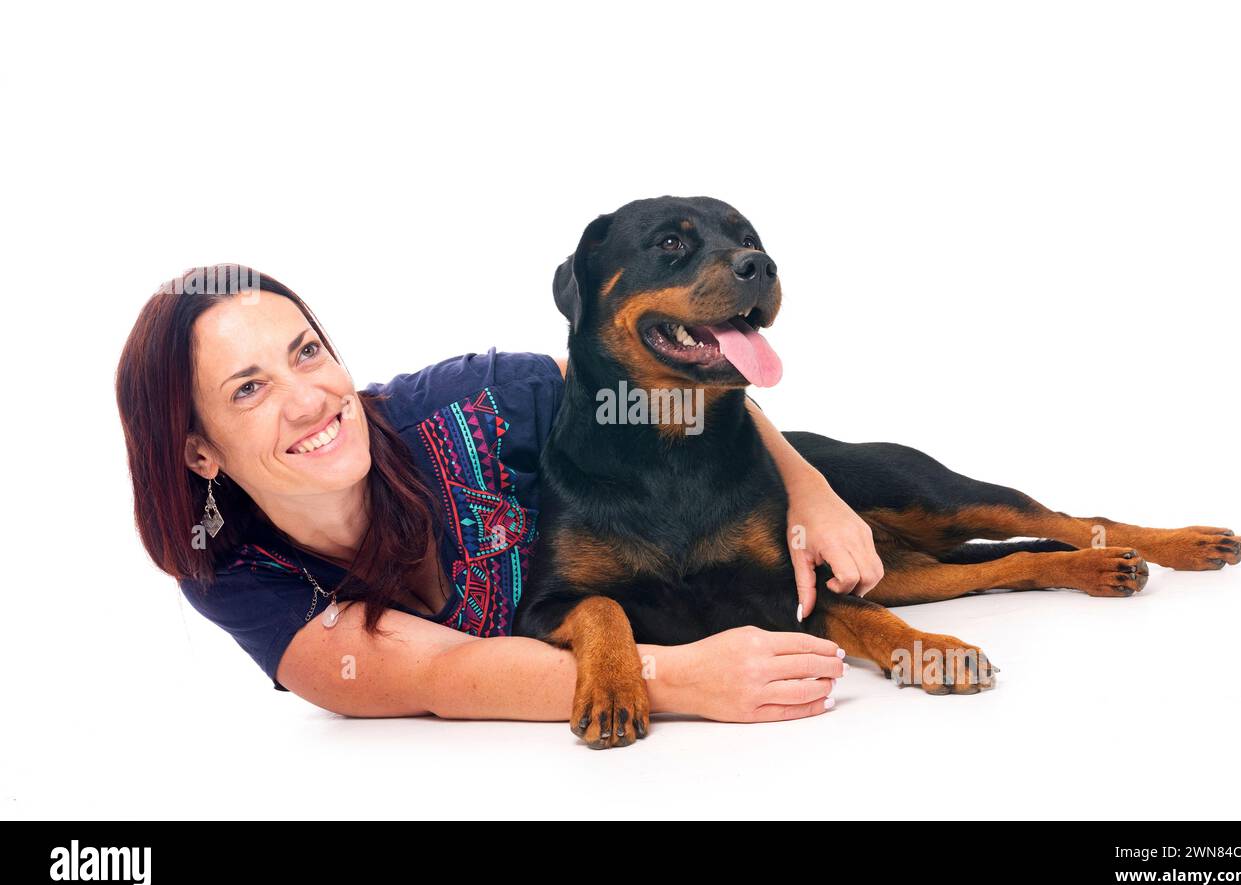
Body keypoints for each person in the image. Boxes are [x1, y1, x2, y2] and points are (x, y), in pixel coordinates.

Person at [115, 265, 883, 722]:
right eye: (249, 389)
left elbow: (660, 398)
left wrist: (808, 488)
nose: (310, 399)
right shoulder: (229, 571)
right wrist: (679, 679)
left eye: (307, 353)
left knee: (921, 519)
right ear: (199, 450)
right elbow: (435, 675)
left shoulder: (471, 403)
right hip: (683, 634)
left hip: (730, 522)